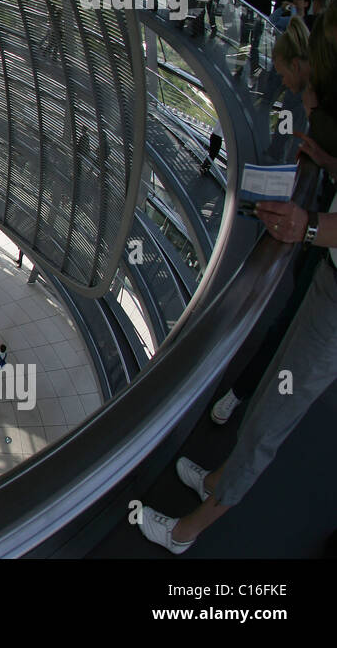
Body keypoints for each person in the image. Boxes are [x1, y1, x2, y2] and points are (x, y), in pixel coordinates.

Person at [137, 129, 337, 555]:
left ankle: (184, 533)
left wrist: (309, 227)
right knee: (272, 389)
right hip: (329, 283)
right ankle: (214, 482)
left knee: (272, 420)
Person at [237, 0, 273, 78]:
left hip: (248, 16)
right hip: (259, 21)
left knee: (244, 43)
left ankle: (239, 68)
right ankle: (253, 72)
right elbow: (267, 11)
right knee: (255, 46)